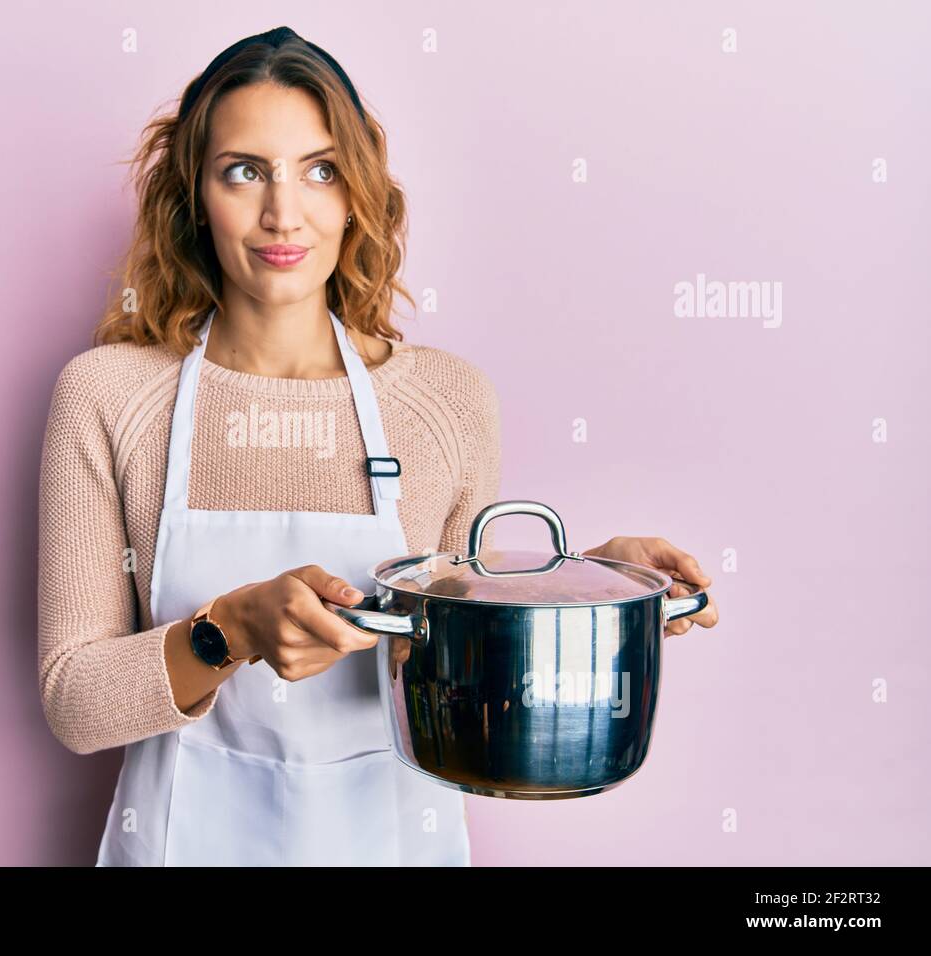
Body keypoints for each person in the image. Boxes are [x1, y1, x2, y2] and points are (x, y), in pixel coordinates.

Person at [37, 26, 719, 867]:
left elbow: (459, 644)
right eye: (243, 171)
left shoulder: (447, 401)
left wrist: (588, 587)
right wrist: (229, 631)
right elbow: (74, 701)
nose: (283, 212)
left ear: (356, 194)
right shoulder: (109, 397)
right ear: (193, 196)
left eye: (319, 170)